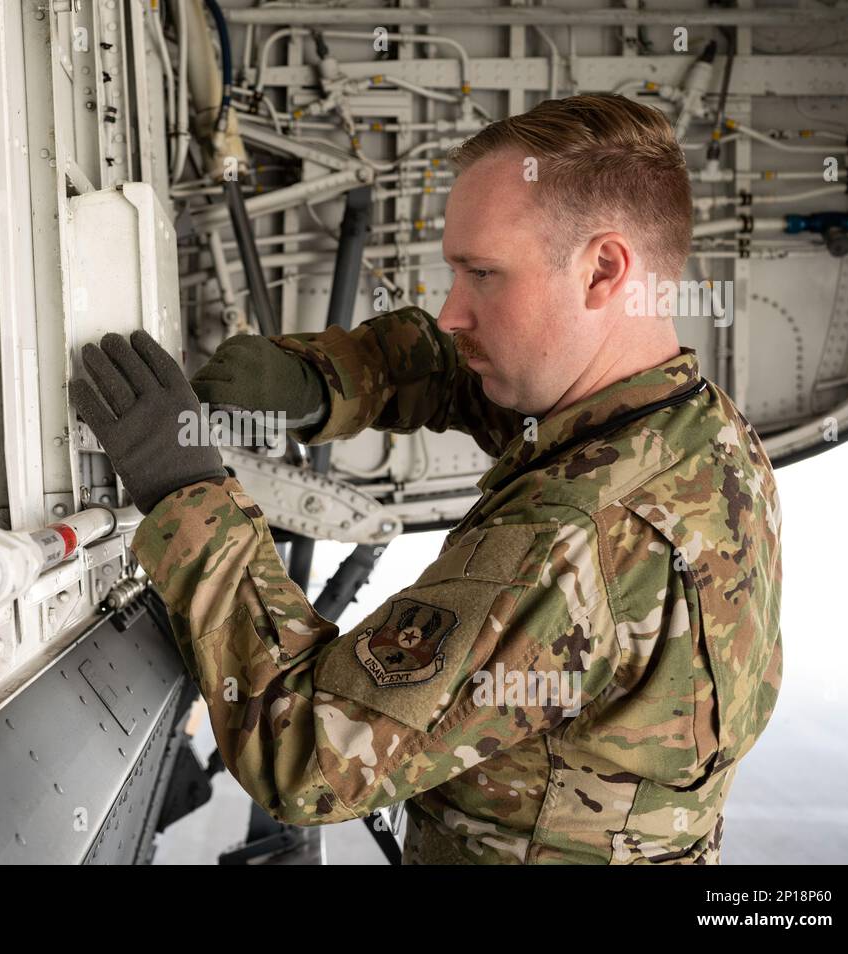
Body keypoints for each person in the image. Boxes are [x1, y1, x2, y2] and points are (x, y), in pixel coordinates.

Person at [69, 94, 782, 864]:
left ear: (603, 270)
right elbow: (454, 374)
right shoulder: (697, 429)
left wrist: (184, 494)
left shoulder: (573, 542)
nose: (451, 312)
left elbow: (305, 753)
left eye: (483, 273)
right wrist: (323, 381)